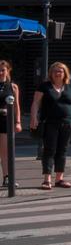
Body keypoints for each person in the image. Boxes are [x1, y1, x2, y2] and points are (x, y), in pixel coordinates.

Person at [30, 61, 71, 190]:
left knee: (62, 151)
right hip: (50, 123)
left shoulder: (70, 87)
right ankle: (47, 179)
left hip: (67, 123)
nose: (58, 73)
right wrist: (33, 118)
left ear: (65, 73)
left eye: (61, 71)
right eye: (55, 71)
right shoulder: (44, 87)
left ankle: (59, 179)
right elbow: (36, 103)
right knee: (49, 150)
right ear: (51, 73)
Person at [0, 59, 20, 189]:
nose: (0, 72)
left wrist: (17, 121)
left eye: (3, 70)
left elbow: (17, 105)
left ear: (8, 70)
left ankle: (7, 178)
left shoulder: (13, 86)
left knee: (6, 151)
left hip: (6, 121)